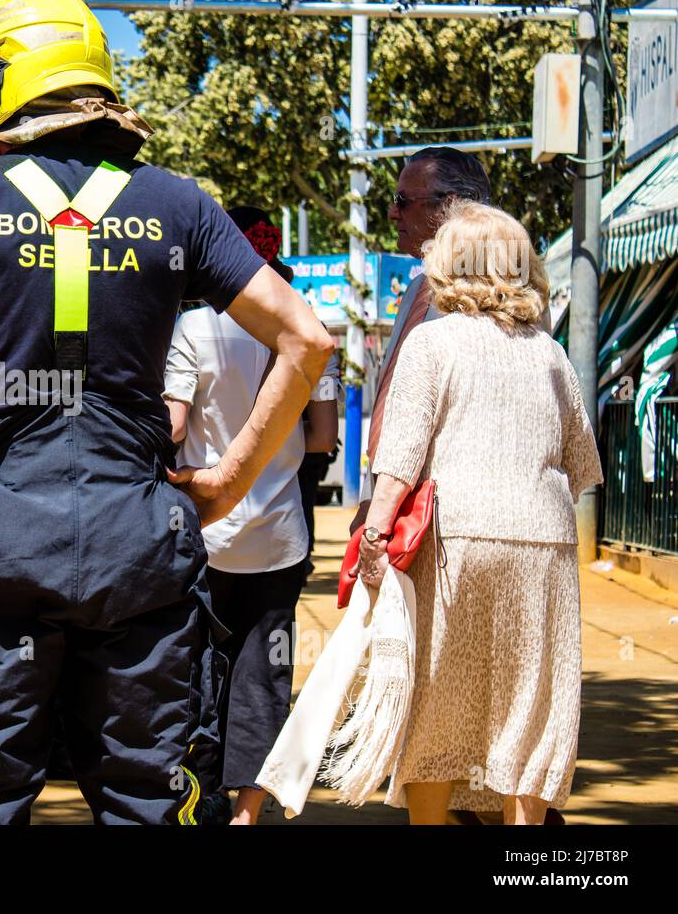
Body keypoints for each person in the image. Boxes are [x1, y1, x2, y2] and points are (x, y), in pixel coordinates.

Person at [0, 0, 333, 825]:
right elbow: (308, 340)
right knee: (150, 798)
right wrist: (223, 480)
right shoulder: (179, 203)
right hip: (137, 542)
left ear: (6, 81)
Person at [357, 202, 602, 825]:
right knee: (534, 704)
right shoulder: (550, 355)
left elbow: (400, 458)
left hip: (455, 541)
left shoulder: (432, 343)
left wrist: (375, 540)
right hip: (544, 543)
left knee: (438, 700)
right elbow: (581, 465)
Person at [164, 207, 339, 826]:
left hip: (205, 530)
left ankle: (196, 800)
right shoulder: (306, 324)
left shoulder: (194, 326)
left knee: (196, 669)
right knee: (264, 674)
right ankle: (247, 814)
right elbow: (321, 438)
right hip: (279, 539)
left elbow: (175, 426)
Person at [352, 146, 491, 532]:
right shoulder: (417, 292)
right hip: (400, 513)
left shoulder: (499, 301)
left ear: (449, 207)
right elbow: (396, 408)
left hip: (451, 523)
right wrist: (371, 499)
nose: (392, 213)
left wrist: (378, 515)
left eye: (402, 201)